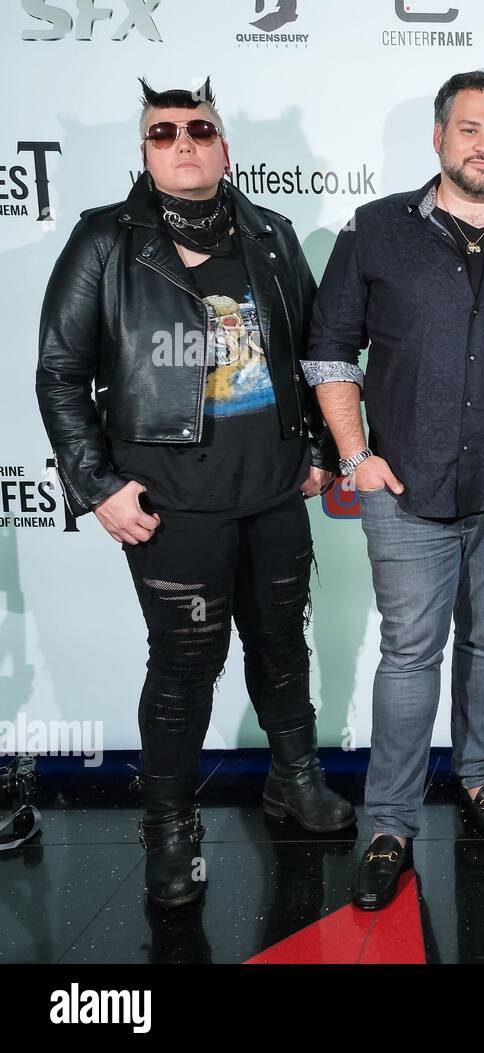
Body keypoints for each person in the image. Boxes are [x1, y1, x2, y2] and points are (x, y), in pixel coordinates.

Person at [34, 77, 351, 909]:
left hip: (274, 494)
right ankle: (170, 829)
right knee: (182, 670)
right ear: (143, 150)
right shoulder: (105, 241)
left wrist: (319, 449)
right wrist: (97, 486)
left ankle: (296, 778)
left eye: (199, 128)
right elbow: (60, 374)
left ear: (224, 146)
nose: (183, 142)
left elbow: (320, 356)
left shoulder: (274, 236)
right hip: (171, 503)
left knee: (284, 648)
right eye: (163, 131)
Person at [305, 70, 484, 911]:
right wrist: (357, 456)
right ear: (438, 137)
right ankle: (389, 822)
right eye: (469, 129)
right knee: (409, 655)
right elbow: (329, 352)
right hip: (405, 490)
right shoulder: (374, 230)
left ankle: (480, 782)